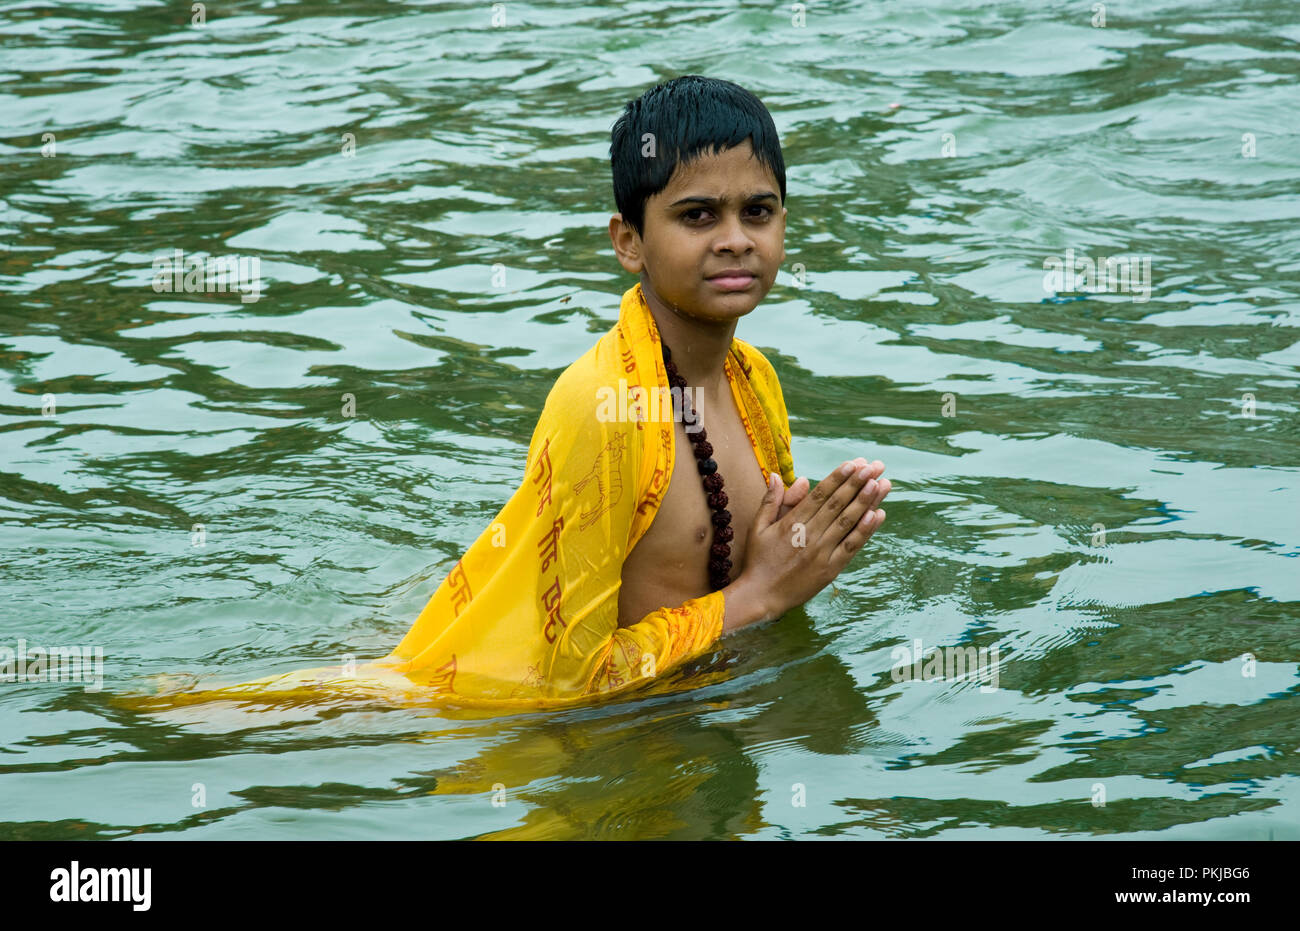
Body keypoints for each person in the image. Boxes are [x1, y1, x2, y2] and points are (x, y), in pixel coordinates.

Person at [126, 75, 891, 714]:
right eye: (697, 215)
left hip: (686, 717)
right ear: (629, 240)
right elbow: (563, 680)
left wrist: (777, 569)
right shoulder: (602, 405)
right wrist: (758, 595)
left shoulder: (752, 379)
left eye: (757, 211)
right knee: (237, 714)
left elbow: (745, 577)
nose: (735, 238)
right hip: (559, 738)